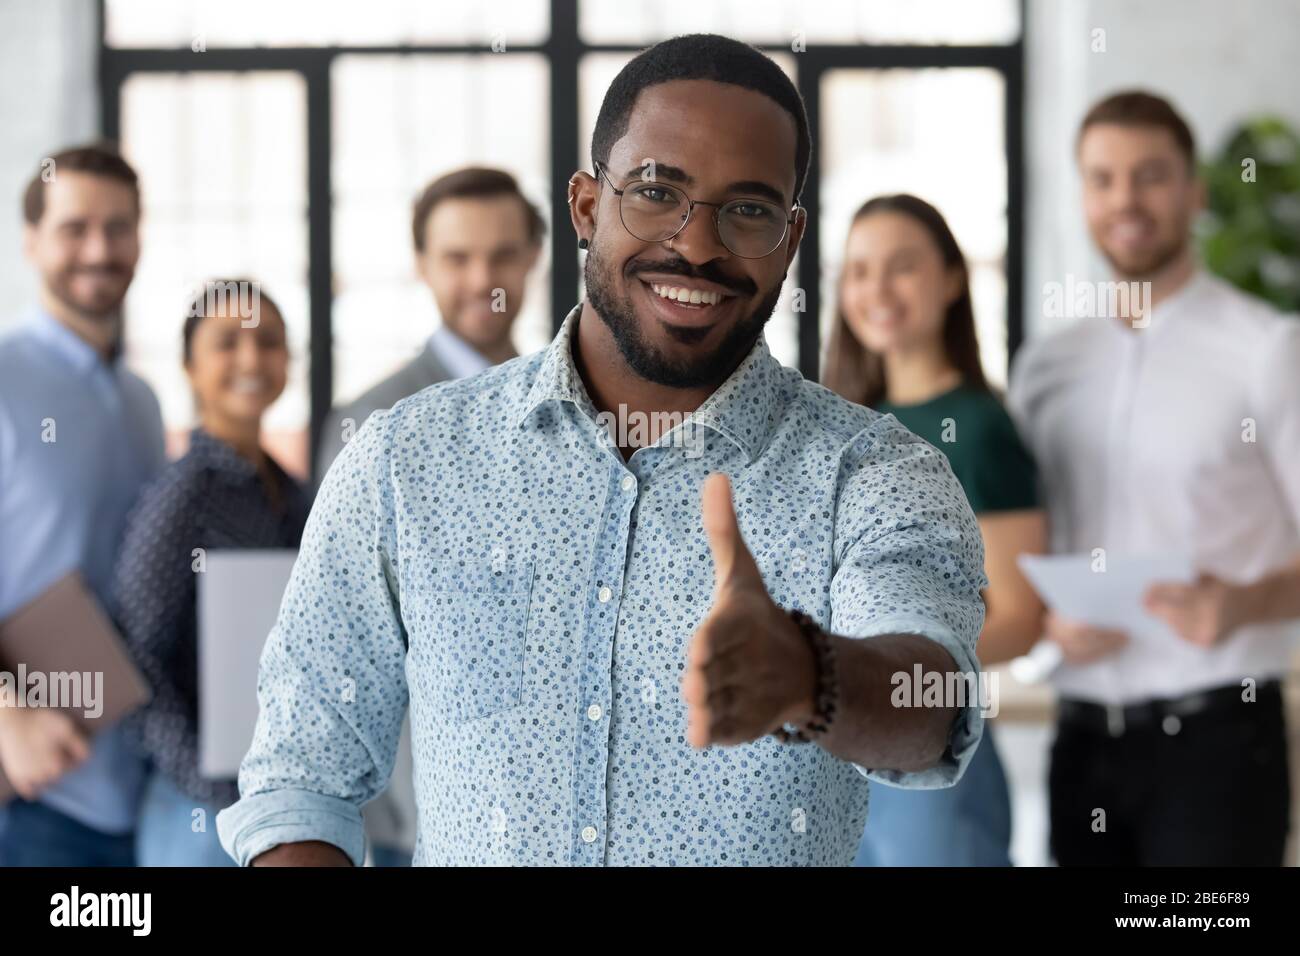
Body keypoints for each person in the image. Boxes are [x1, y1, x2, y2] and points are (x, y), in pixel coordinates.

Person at [217, 33, 988, 867]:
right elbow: (300, 780)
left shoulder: (875, 474)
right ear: (587, 207)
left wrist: (813, 677)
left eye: (750, 209)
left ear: (791, 239)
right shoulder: (406, 458)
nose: (697, 246)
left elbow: (935, 703)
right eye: (658, 193)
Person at [1008, 91, 1300, 866]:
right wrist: (1040, 619)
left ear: (1195, 189)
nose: (1125, 200)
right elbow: (1017, 550)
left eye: (1150, 175)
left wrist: (1242, 602)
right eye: (1102, 179)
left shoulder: (1267, 348)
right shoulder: (1045, 365)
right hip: (1082, 738)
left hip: (1218, 744)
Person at [316, 167, 545, 867]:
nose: (483, 277)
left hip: (555, 799)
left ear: (535, 255)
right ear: (421, 265)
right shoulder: (372, 424)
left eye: (503, 254)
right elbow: (342, 629)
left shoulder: (579, 410)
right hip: (420, 814)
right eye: (456, 257)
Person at [824, 194, 1047, 866]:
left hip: (932, 753)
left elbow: (1019, 617)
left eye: (902, 267)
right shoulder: (843, 427)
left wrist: (880, 666)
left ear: (951, 280)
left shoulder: (980, 430)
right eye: (859, 271)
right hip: (840, 754)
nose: (877, 290)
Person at [0, 144, 166, 866]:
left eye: (118, 227)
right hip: (36, 795)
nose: (98, 249)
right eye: (74, 229)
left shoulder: (142, 401)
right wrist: (4, 716)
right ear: (31, 241)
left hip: (143, 785)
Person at [112, 283, 310, 866]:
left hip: (278, 800)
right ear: (189, 367)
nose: (251, 359)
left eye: (269, 342)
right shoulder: (181, 496)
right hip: (198, 814)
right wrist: (216, 791)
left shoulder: (294, 493)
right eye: (228, 343)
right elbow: (135, 662)